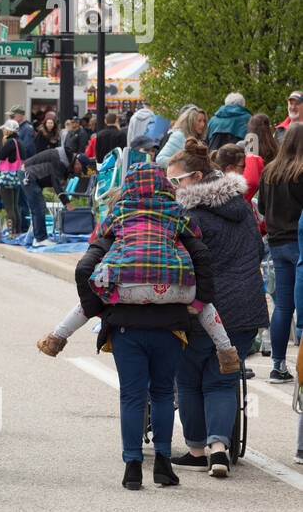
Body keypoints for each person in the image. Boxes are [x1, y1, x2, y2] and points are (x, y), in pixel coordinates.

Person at [72, 162, 216, 489]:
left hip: (126, 327)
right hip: (171, 325)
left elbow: (85, 268)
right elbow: (203, 258)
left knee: (132, 396)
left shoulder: (117, 219)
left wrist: (99, 309)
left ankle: (132, 466)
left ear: (128, 187)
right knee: (164, 393)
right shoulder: (177, 218)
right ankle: (163, 464)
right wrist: (197, 302)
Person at [37, 154, 239, 366]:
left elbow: (99, 240)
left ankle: (57, 338)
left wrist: (93, 304)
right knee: (205, 307)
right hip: (174, 289)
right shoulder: (175, 212)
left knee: (91, 298)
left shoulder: (119, 213)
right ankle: (227, 353)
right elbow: (196, 237)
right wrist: (198, 300)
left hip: (126, 288)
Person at [168, 140, 268, 475]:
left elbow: (182, 264)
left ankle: (196, 449)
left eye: (176, 181)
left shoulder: (189, 216)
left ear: (195, 177)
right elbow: (259, 252)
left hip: (202, 309)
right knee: (223, 379)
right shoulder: (243, 208)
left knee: (189, 377)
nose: (174, 188)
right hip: (244, 305)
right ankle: (219, 448)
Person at [257, 123, 303, 383]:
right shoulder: (301, 172)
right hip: (299, 240)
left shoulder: (270, 171)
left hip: (276, 242)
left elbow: (262, 207)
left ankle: (278, 364)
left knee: (283, 306)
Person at [21, 146, 90, 243]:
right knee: (38, 207)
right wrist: (67, 203)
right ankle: (40, 239)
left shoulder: (65, 160)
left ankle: (38, 236)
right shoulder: (61, 160)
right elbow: (57, 182)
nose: (80, 172)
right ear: (77, 163)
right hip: (27, 174)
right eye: (81, 169)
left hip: (31, 175)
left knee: (38, 207)